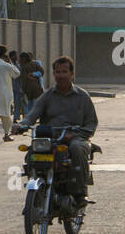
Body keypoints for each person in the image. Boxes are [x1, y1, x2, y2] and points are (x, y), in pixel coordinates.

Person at [13, 55, 98, 200]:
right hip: (51, 137)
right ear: (53, 74)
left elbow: (91, 123)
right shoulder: (47, 96)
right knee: (32, 152)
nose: (61, 75)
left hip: (75, 137)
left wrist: (76, 135)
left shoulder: (82, 96)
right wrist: (21, 125)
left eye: (64, 72)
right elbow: (32, 115)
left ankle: (79, 193)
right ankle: (39, 187)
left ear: (72, 74)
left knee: (77, 148)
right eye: (57, 72)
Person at [9, 50, 25, 123]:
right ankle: (9, 117)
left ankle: (15, 118)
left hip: (18, 87)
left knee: (17, 103)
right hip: (10, 87)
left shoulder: (19, 65)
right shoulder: (9, 65)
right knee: (10, 104)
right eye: (14, 55)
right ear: (11, 57)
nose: (16, 57)